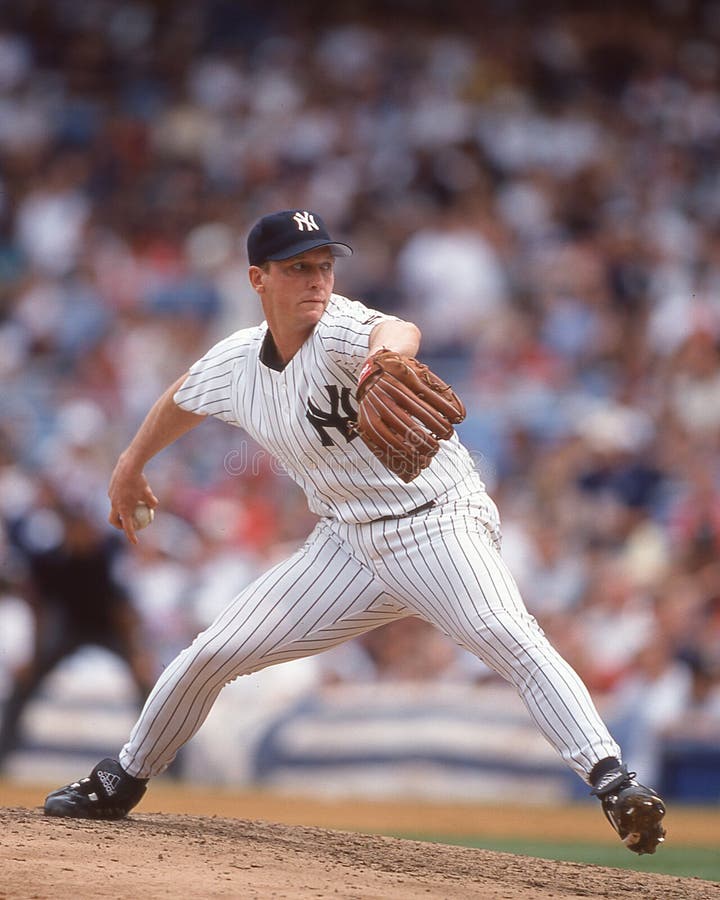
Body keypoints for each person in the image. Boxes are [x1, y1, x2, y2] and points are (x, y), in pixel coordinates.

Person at [43, 209, 666, 854]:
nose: (317, 280)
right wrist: (129, 465)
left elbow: (397, 329)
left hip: (435, 521)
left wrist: (383, 363)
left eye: (324, 265)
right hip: (344, 543)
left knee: (505, 635)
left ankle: (615, 784)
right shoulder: (236, 363)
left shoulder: (340, 328)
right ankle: (119, 780)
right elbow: (183, 395)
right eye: (298, 268)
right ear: (259, 280)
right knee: (211, 652)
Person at [0, 503, 154, 770]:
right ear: (68, 532)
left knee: (147, 686)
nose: (86, 536)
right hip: (69, 630)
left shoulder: (105, 557)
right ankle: (4, 752)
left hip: (108, 629)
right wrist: (33, 656)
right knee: (24, 684)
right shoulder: (51, 562)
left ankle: (164, 758)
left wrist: (138, 654)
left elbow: (124, 613)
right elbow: (39, 612)